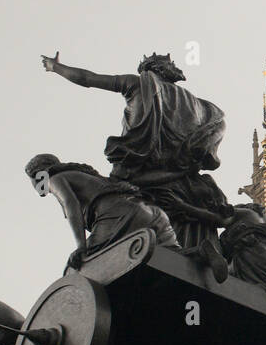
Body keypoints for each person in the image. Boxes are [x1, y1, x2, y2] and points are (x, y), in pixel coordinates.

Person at [41, 51, 231, 278]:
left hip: (139, 182)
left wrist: (56, 68)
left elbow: (88, 78)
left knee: (95, 263)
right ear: (159, 67)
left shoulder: (137, 84)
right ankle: (198, 259)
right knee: (174, 255)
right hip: (185, 188)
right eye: (170, 63)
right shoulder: (204, 108)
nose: (176, 66)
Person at [24, 154, 177, 271]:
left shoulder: (55, 179)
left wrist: (81, 247)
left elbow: (71, 205)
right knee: (178, 262)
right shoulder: (86, 176)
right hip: (153, 214)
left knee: (77, 268)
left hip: (118, 217)